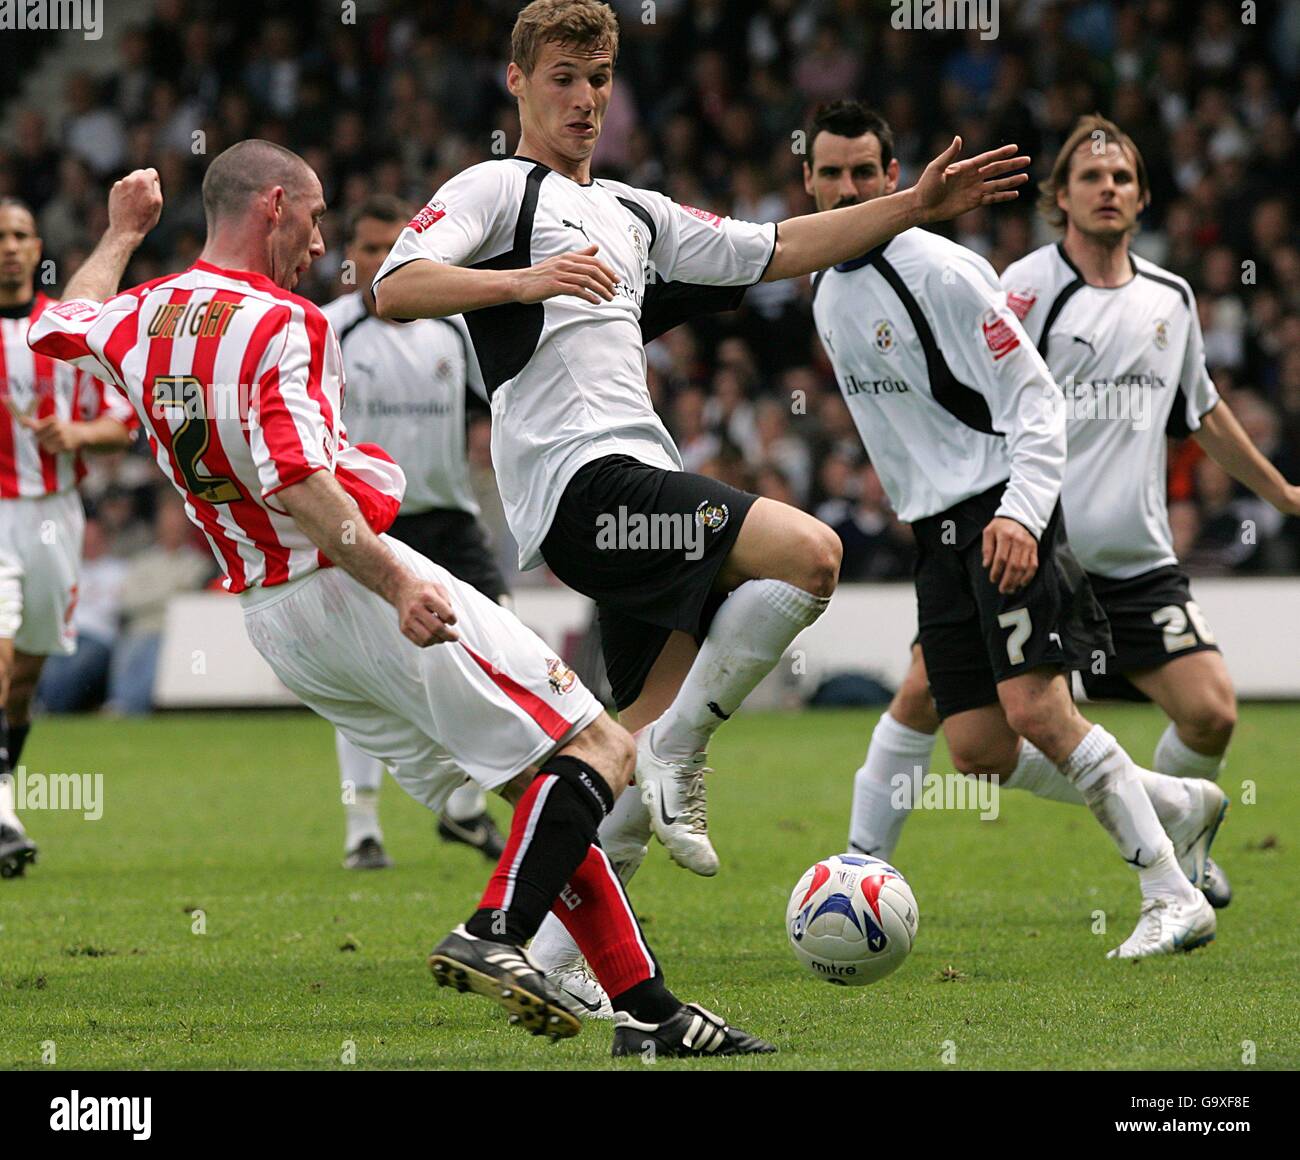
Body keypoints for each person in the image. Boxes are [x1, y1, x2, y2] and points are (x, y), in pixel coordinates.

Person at [28, 144, 774, 1057]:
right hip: (351, 582)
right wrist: (399, 581)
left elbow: (58, 326)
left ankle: (649, 1015)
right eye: (313, 216)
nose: (321, 240)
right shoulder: (284, 323)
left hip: (275, 619)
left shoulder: (145, 313)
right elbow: (299, 479)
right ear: (272, 206)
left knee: (540, 790)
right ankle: (492, 933)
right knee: (601, 747)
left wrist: (119, 233)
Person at [372, 0, 1027, 992]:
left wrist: (911, 205)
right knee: (811, 555)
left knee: (622, 737)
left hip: (635, 477)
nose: (584, 98)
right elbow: (396, 284)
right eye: (561, 78)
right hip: (578, 483)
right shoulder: (493, 189)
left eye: (598, 78)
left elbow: (777, 246)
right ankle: (682, 752)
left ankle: (546, 954)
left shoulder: (637, 211)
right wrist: (524, 283)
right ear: (516, 82)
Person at [802, 101, 1221, 959]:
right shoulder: (821, 281)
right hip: (935, 532)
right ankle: (1178, 803)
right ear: (807, 179)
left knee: (1038, 709)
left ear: (893, 177)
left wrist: (1021, 514)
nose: (846, 188)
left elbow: (1036, 399)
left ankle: (1170, 893)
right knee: (977, 748)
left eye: (863, 173)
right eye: (829, 173)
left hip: (998, 510)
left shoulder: (946, 271)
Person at [856, 115, 1300, 910]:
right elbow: (981, 397)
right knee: (950, 716)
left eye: (1122, 178)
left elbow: (1203, 413)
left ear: (1143, 196)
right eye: (1091, 178)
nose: (1108, 189)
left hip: (1136, 562)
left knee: (1211, 714)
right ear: (1059, 196)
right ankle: (862, 868)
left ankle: (1179, 838)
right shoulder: (1023, 287)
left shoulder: (1173, 297)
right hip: (1036, 551)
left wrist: (1285, 495)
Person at [322, 194, 509, 870]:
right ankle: (362, 829)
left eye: (391, 249)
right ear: (351, 259)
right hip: (365, 524)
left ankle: (461, 810)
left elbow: (504, 405)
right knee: (368, 672)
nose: (379, 262)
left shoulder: (452, 330)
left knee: (493, 645)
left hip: (450, 516)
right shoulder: (327, 331)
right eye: (368, 250)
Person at [0, 196, 136, 878]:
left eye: (21, 234)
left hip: (53, 512)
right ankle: (1, 813)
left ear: (35, 246)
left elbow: (121, 419)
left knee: (23, 678)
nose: (10, 246)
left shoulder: (64, 328)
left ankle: (1, 801)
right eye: (0, 236)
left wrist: (77, 433)